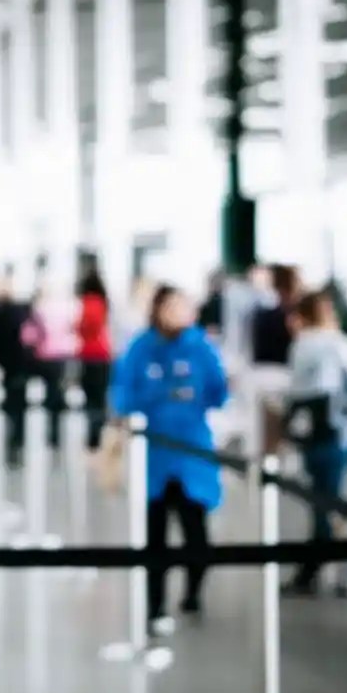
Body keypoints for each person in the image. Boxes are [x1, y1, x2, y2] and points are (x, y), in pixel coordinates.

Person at [111, 285, 229, 637]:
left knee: (196, 533)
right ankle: (155, 605)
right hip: (153, 457)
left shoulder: (201, 348)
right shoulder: (140, 348)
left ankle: (193, 591)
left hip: (192, 453)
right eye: (171, 307)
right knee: (155, 536)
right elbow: (122, 394)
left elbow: (218, 391)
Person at [281, 292, 347, 596]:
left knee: (323, 503)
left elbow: (302, 394)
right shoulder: (344, 344)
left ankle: (314, 568)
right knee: (334, 500)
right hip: (345, 433)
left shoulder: (307, 345)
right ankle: (337, 572)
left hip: (321, 434)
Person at [20, 284, 78, 448]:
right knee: (57, 389)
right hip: (61, 354)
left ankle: (52, 425)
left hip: (44, 354)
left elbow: (28, 335)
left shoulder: (38, 310)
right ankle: (56, 426)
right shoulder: (66, 309)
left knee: (51, 390)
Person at [0, 276, 33, 456]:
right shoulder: (21, 313)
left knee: (12, 400)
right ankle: (18, 436)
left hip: (10, 364)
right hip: (19, 363)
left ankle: (15, 435)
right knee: (18, 400)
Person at [76, 269, 112, 452]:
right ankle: (96, 435)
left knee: (92, 399)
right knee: (99, 398)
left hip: (91, 356)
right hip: (102, 354)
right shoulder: (103, 303)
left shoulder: (89, 303)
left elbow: (85, 327)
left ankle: (94, 438)